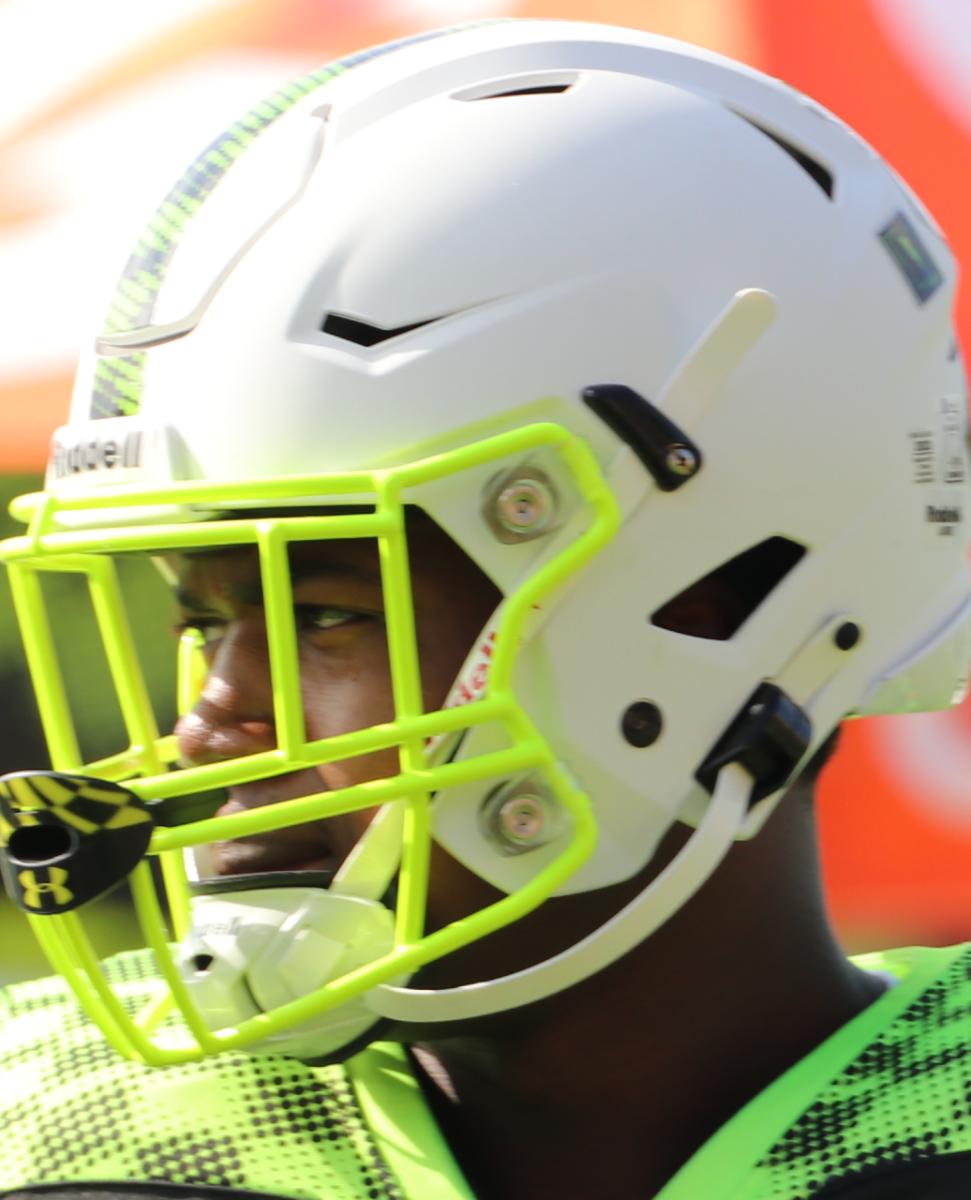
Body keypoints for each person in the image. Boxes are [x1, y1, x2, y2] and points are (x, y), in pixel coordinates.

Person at [0, 19, 969, 1200]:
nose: (212, 720)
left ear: (719, 607)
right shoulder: (51, 1127)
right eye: (205, 621)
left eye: (326, 615)